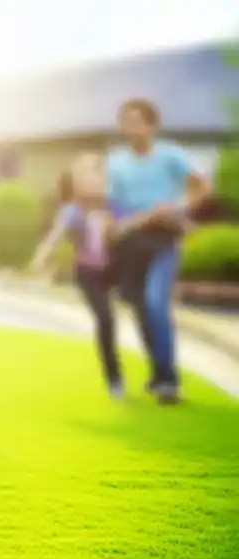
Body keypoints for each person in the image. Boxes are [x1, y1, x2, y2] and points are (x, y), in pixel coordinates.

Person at [106, 98, 212, 404]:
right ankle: (158, 372)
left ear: (152, 125)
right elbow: (114, 208)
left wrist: (179, 207)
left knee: (156, 303)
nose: (130, 127)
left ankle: (168, 382)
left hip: (164, 240)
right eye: (125, 121)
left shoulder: (170, 156)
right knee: (140, 310)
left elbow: (201, 187)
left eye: (137, 120)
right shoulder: (116, 163)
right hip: (131, 243)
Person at [30, 154, 123, 398]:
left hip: (116, 269)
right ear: (76, 183)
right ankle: (114, 378)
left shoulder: (114, 205)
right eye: (83, 175)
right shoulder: (71, 211)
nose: (90, 179)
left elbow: (125, 233)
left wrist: (111, 228)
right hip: (88, 273)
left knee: (130, 310)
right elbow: (56, 234)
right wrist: (43, 254)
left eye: (95, 173)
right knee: (106, 318)